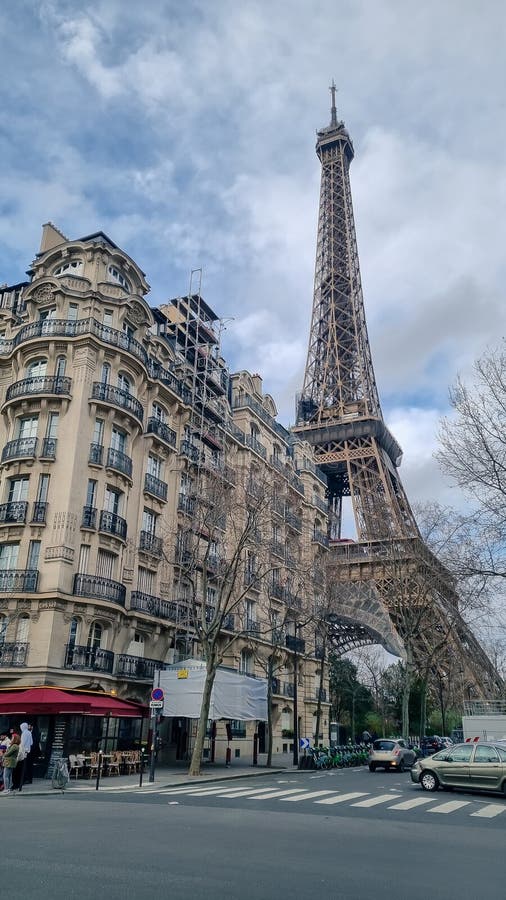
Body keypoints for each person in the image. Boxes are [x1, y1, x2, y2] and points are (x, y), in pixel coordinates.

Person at [15, 722, 33, 791]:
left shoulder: (24, 733)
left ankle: (21, 782)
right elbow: (31, 743)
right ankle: (25, 779)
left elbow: (22, 743)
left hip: (23, 751)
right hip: (28, 751)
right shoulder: (29, 732)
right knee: (27, 766)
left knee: (22, 767)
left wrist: (19, 750)